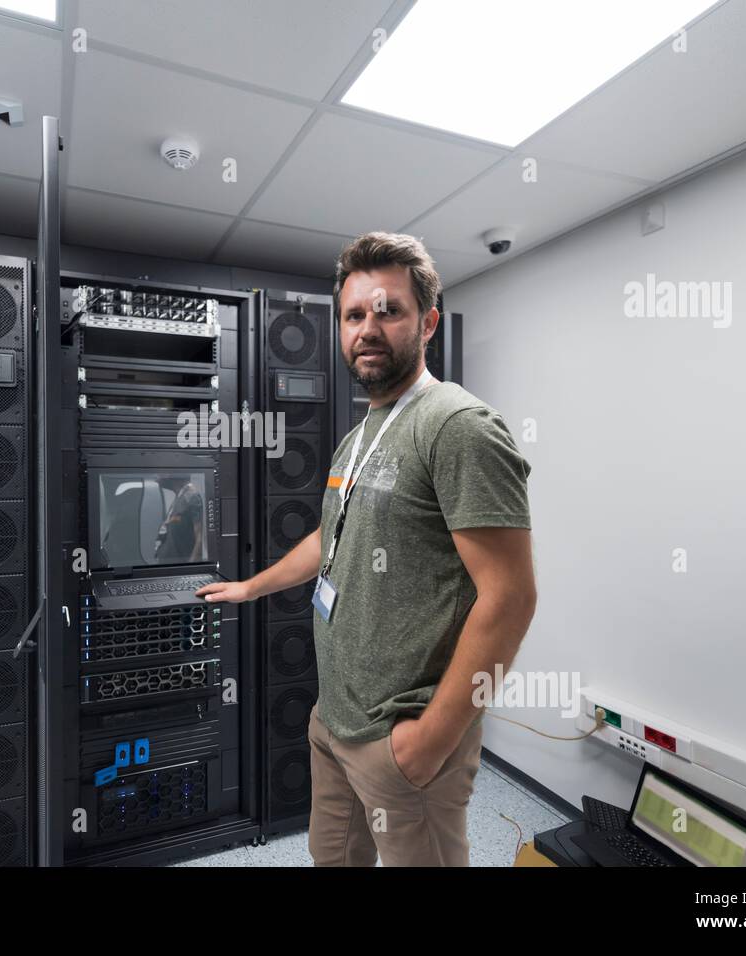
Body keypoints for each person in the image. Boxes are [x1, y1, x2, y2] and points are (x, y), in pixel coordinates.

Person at [196, 231, 536, 866]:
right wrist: (252, 587)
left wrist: (431, 739)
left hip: (402, 736)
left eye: (389, 311)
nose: (368, 329)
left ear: (428, 322)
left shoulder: (457, 427)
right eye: (354, 315)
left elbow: (511, 598)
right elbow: (334, 537)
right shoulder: (360, 434)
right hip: (335, 720)